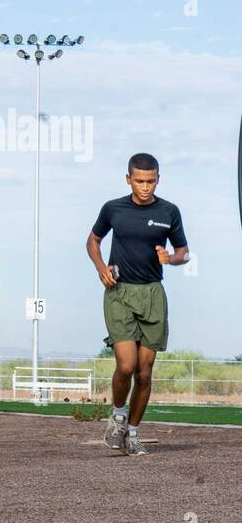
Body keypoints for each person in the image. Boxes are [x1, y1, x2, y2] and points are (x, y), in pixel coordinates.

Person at [87, 153, 189, 456]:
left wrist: (171, 259)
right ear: (129, 179)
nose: (145, 187)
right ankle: (117, 415)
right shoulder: (113, 209)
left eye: (151, 181)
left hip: (153, 295)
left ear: (158, 179)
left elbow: (183, 251)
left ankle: (132, 433)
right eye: (140, 181)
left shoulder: (169, 211)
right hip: (119, 292)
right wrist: (100, 268)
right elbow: (93, 241)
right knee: (126, 365)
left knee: (144, 372)